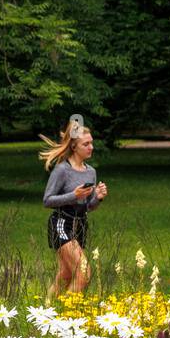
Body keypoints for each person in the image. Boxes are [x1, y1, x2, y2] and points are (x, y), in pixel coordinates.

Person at [39, 120, 108, 298]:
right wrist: (74, 195)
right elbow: (47, 200)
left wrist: (97, 198)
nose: (91, 147)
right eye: (86, 144)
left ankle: (48, 308)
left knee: (66, 274)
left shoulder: (90, 172)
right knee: (83, 273)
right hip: (61, 223)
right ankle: (66, 313)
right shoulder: (62, 170)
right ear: (74, 146)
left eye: (91, 143)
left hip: (81, 226)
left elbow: (88, 207)